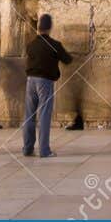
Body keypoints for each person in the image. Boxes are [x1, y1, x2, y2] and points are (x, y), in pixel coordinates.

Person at [23, 13, 73, 158]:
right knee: (44, 115)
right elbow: (67, 60)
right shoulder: (55, 45)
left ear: (38, 27)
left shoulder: (31, 45)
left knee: (29, 115)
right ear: (50, 28)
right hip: (45, 81)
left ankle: (27, 148)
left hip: (30, 80)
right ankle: (44, 150)